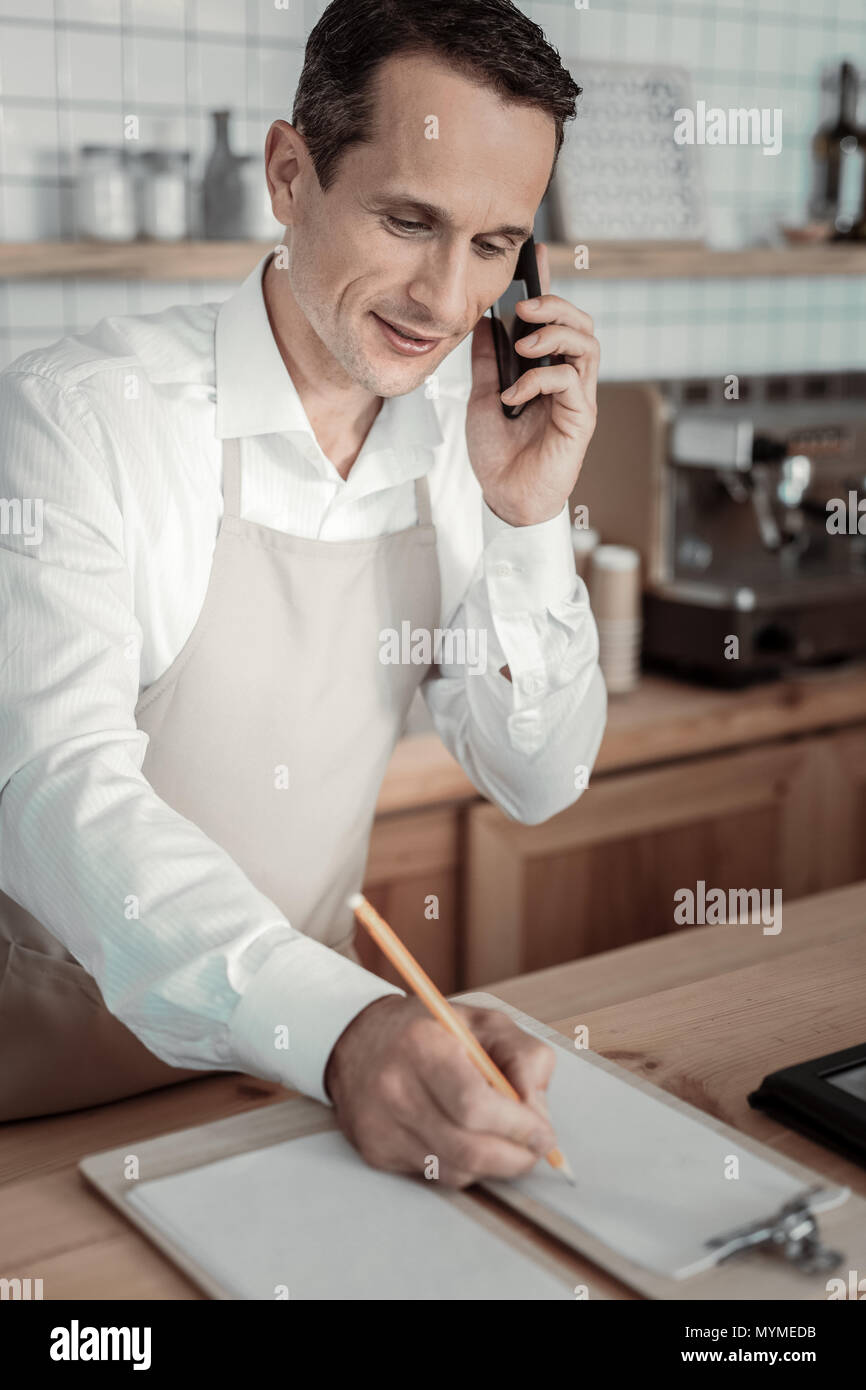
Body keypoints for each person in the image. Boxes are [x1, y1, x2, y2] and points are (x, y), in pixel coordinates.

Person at [0, 0, 605, 1188]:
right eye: (408, 220)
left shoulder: (459, 439)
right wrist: (337, 1024)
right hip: (39, 1102)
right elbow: (50, 787)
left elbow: (532, 780)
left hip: (289, 1084)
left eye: (492, 245)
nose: (443, 298)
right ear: (290, 173)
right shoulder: (78, 418)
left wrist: (522, 518)